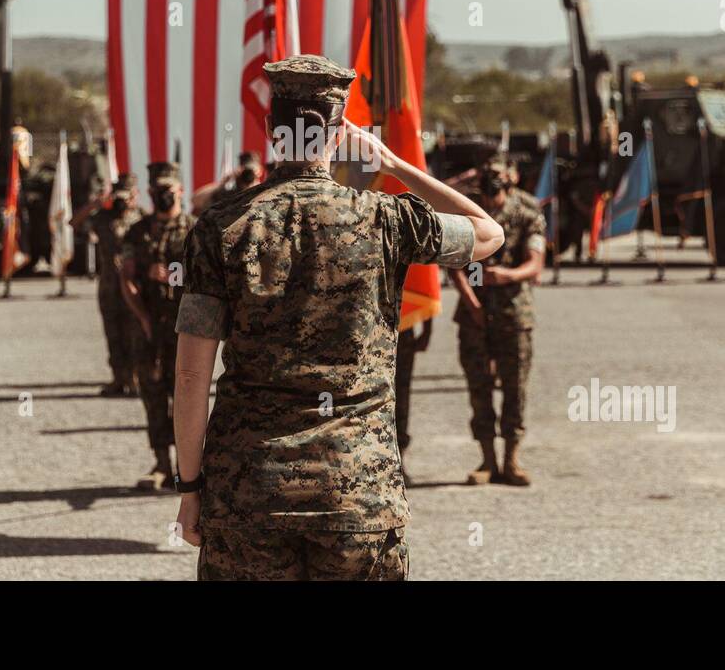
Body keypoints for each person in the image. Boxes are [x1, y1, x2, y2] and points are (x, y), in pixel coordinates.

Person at [171, 55, 504, 581]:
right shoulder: (385, 218)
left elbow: (191, 376)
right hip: (357, 492)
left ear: (271, 129)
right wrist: (393, 164)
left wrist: (189, 488)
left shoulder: (220, 227)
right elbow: (487, 233)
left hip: (248, 492)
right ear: (339, 133)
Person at [450, 153, 545, 487]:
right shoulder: (466, 208)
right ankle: (487, 460)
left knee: (515, 386)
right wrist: (471, 300)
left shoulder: (527, 210)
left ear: (512, 177)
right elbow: (454, 262)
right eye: (486, 173)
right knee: (479, 386)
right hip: (474, 313)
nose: (492, 180)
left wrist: (507, 276)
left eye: (498, 173)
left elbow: (535, 263)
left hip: (513, 312)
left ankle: (512, 459)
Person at [120, 161, 196, 490]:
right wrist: (144, 317)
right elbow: (127, 279)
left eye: (168, 189)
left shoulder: (195, 230)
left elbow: (208, 280)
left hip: (185, 329)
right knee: (152, 394)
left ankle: (188, 467)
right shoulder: (138, 232)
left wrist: (177, 277)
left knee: (185, 396)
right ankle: (162, 463)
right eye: (157, 191)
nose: (163, 195)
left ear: (180, 190)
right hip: (149, 328)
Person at [71, 173, 142, 397]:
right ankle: (118, 378)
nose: (122, 203)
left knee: (135, 333)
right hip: (109, 287)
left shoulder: (141, 219)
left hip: (134, 286)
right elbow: (74, 223)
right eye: (118, 198)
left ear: (134, 196)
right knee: (113, 333)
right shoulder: (103, 218)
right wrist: (95, 203)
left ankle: (135, 379)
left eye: (126, 198)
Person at [394, 319, 433, 483]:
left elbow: (423, 293)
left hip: (401, 327)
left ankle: (398, 461)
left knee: (400, 396)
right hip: (361, 326)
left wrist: (427, 327)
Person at [191, 150, 264, 213]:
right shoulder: (229, 195)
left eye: (251, 171)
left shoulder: (264, 193)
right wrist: (224, 181)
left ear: (260, 171)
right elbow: (195, 200)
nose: (248, 175)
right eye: (245, 171)